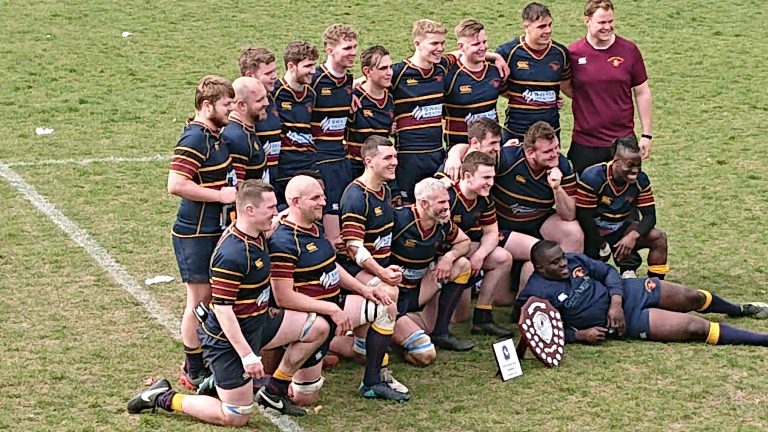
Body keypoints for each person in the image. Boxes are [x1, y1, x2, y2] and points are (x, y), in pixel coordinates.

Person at [128, 180, 330, 424]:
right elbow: (223, 310)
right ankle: (164, 396)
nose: (276, 213)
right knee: (236, 416)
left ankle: (274, 390)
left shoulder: (257, 232)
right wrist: (247, 356)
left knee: (317, 327)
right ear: (249, 211)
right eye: (271, 209)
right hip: (229, 338)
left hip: (259, 323)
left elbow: (273, 224)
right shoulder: (232, 254)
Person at [268, 175, 410, 402]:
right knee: (305, 398)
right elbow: (283, 297)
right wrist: (330, 309)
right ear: (295, 202)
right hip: (311, 319)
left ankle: (373, 381)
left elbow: (331, 266)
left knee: (384, 304)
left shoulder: (314, 227)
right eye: (315, 198)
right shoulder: (282, 241)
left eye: (323, 196)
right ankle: (267, 381)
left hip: (334, 307)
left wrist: (364, 290)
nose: (323, 202)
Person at [519, 240, 768, 346]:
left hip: (629, 292)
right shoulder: (535, 294)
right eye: (555, 264)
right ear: (540, 268)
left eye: (562, 258)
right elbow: (540, 331)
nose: (563, 264)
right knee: (695, 327)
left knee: (693, 297)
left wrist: (615, 301)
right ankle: (761, 340)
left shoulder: (573, 259)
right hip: (625, 321)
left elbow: (607, 272)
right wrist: (580, 335)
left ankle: (738, 309)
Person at [168, 75, 237, 390]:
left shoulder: (214, 134)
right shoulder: (195, 139)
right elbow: (176, 185)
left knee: (211, 296)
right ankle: (192, 367)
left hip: (212, 227)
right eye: (226, 104)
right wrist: (220, 195)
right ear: (207, 105)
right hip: (195, 233)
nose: (231, 110)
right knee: (199, 299)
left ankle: (205, 357)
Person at [334, 135, 409, 393]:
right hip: (354, 271)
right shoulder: (356, 196)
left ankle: (372, 366)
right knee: (389, 295)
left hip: (376, 268)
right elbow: (354, 248)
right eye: (388, 158)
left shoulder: (384, 190)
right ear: (368, 161)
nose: (394, 162)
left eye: (395, 157)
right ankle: (375, 379)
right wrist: (382, 273)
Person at [561, 0, 653, 173]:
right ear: (587, 21)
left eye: (610, 21)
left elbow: (642, 92)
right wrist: (588, 97)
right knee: (583, 196)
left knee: (625, 197)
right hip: (585, 143)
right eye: (602, 22)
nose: (607, 27)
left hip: (623, 141)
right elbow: (565, 86)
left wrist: (646, 134)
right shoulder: (573, 53)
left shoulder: (629, 50)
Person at [390, 177, 474, 353]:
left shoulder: (443, 222)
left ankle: (441, 332)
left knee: (462, 264)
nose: (447, 207)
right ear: (424, 204)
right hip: (392, 292)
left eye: (447, 201)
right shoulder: (398, 220)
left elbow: (464, 242)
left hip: (418, 290)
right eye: (441, 202)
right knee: (421, 351)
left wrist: (449, 257)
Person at [442, 151, 514, 337]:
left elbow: (491, 233)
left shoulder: (485, 198)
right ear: (467, 176)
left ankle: (483, 317)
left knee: (502, 258)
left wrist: (479, 256)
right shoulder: (448, 196)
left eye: (492, 177)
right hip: (441, 256)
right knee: (458, 317)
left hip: (464, 251)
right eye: (486, 177)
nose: (491, 182)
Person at [576, 135, 668, 279]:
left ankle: (655, 286)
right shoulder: (592, 177)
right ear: (616, 161)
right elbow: (584, 216)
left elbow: (650, 216)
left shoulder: (641, 181)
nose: (635, 171)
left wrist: (632, 236)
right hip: (591, 234)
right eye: (630, 165)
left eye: (639, 165)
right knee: (593, 277)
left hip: (619, 230)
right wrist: (601, 244)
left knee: (659, 238)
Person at [496, 2, 572, 143]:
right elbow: (495, 85)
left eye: (550, 24)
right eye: (542, 26)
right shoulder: (508, 52)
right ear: (526, 27)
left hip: (551, 132)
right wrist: (521, 97)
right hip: (517, 132)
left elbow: (566, 85)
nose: (548, 30)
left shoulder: (561, 53)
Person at [311, 24, 358, 246]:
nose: (353, 53)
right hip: (320, 159)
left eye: (355, 47)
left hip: (341, 157)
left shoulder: (348, 80)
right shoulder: (315, 80)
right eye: (347, 48)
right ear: (330, 50)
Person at [443, 18, 503, 149]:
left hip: (492, 147)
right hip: (459, 149)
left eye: (484, 42)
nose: (483, 48)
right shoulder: (449, 74)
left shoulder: (495, 69)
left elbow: (511, 93)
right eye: (476, 44)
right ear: (460, 47)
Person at [272, 41, 319, 206]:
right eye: (308, 66)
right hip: (284, 170)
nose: (313, 71)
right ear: (291, 66)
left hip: (309, 166)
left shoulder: (311, 93)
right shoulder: (274, 92)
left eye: (314, 65)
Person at [346, 45, 395, 178]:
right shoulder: (354, 98)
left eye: (390, 67)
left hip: (383, 169)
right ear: (367, 71)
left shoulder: (391, 97)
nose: (390, 72)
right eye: (383, 68)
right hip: (356, 170)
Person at [239, 47, 281, 185]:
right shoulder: (243, 108)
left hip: (274, 180)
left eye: (275, 71)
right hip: (254, 186)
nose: (274, 76)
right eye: (268, 73)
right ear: (249, 75)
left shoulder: (274, 96)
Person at [221, 77, 269, 183]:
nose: (267, 103)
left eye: (266, 97)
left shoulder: (246, 130)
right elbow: (238, 189)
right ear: (241, 105)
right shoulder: (236, 139)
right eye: (260, 100)